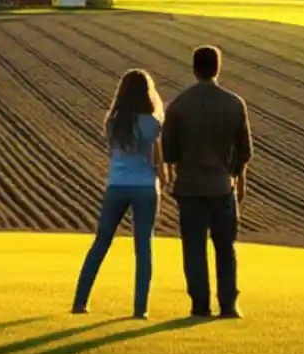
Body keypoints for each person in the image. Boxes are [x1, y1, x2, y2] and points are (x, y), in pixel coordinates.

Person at [162, 45, 253, 319]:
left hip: (189, 187)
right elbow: (245, 150)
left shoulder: (179, 105)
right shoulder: (234, 103)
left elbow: (170, 153)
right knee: (225, 247)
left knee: (194, 248)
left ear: (194, 69)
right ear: (218, 68)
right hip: (221, 186)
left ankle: (199, 304)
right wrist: (235, 174)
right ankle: (228, 304)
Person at [72, 69, 169, 320]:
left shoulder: (113, 121)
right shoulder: (152, 122)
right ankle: (140, 308)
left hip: (116, 185)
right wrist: (165, 177)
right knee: (143, 247)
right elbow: (158, 158)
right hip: (145, 186)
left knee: (101, 243)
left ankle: (80, 301)